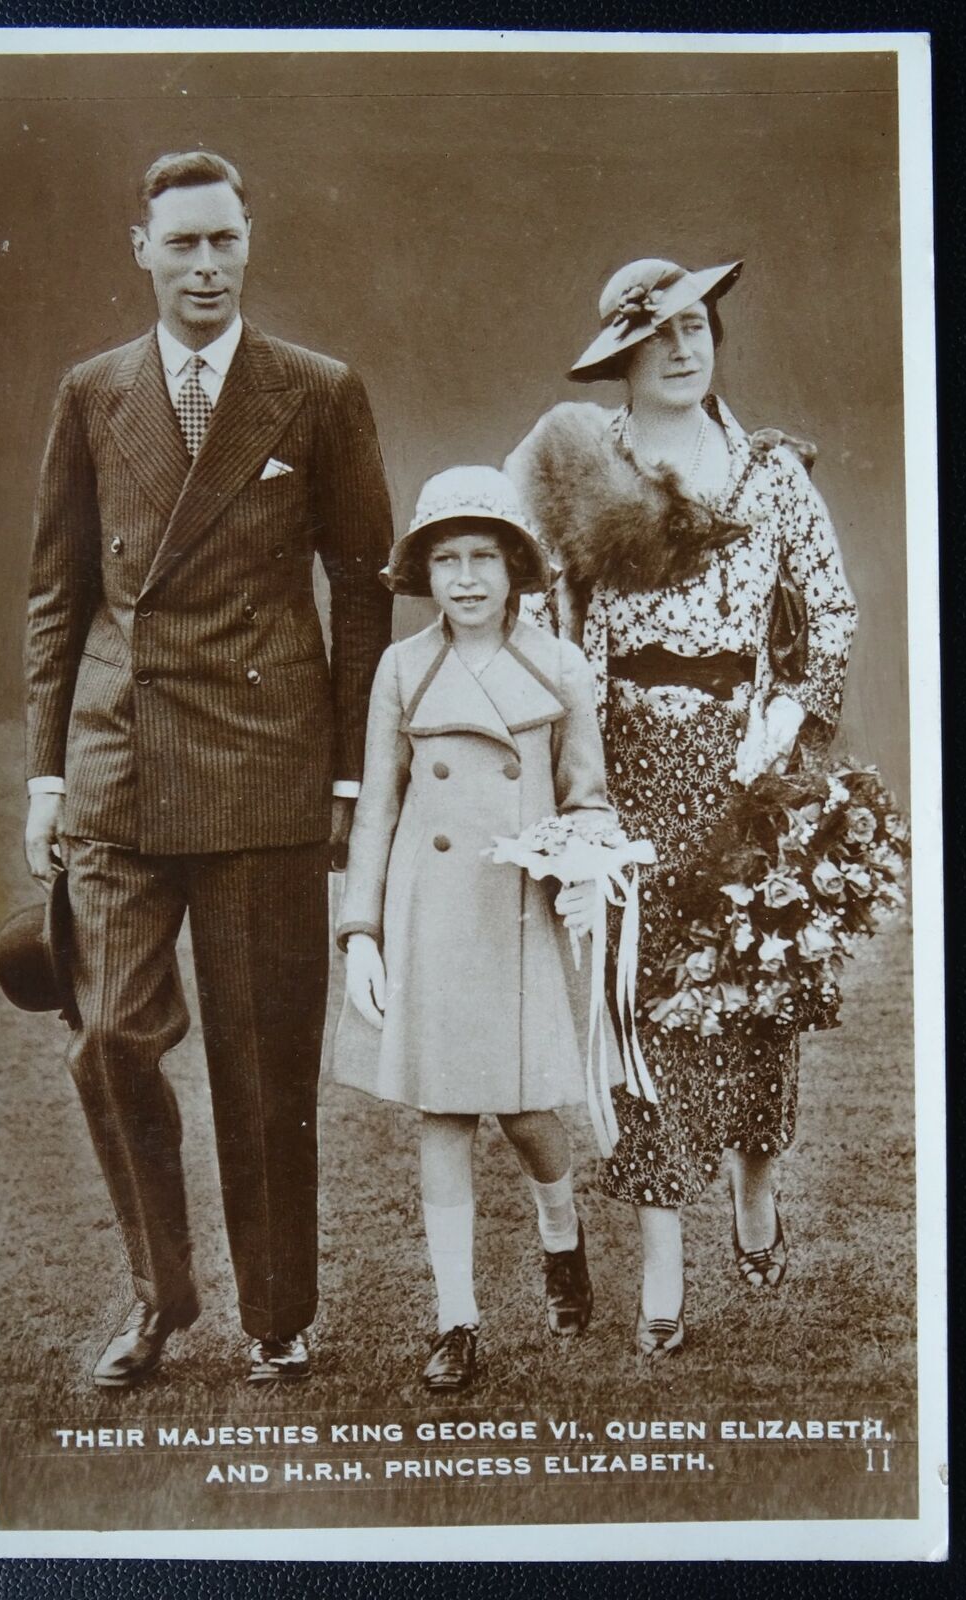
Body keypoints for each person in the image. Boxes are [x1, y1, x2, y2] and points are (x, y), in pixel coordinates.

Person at [23, 150, 394, 1386]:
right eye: (180, 243)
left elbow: (362, 587)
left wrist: (346, 774)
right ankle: (159, 1291)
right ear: (142, 248)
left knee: (262, 1062)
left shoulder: (317, 391)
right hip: (118, 769)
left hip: (264, 775)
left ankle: (279, 1315)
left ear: (251, 241)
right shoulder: (92, 394)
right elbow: (55, 598)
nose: (204, 265)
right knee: (108, 1040)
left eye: (223, 241)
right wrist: (41, 779)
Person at [505, 257, 858, 1357]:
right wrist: (570, 767)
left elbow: (832, 612)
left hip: (751, 767)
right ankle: (664, 1259)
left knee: (754, 998)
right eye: (655, 333)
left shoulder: (770, 474)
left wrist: (788, 724)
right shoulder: (581, 473)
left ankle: (755, 1187)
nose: (681, 346)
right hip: (624, 771)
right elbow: (536, 617)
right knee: (645, 1019)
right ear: (620, 356)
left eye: (696, 325)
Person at [332, 466, 617, 1393]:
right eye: (446, 560)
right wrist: (363, 931)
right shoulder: (402, 668)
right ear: (424, 573)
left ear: (515, 570)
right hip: (433, 910)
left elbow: (589, 799)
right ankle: (456, 1317)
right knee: (444, 1111)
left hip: (523, 914)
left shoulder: (560, 666)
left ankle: (559, 1234)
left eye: (483, 559)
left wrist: (585, 865)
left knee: (533, 1116)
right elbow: (377, 807)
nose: (464, 579)